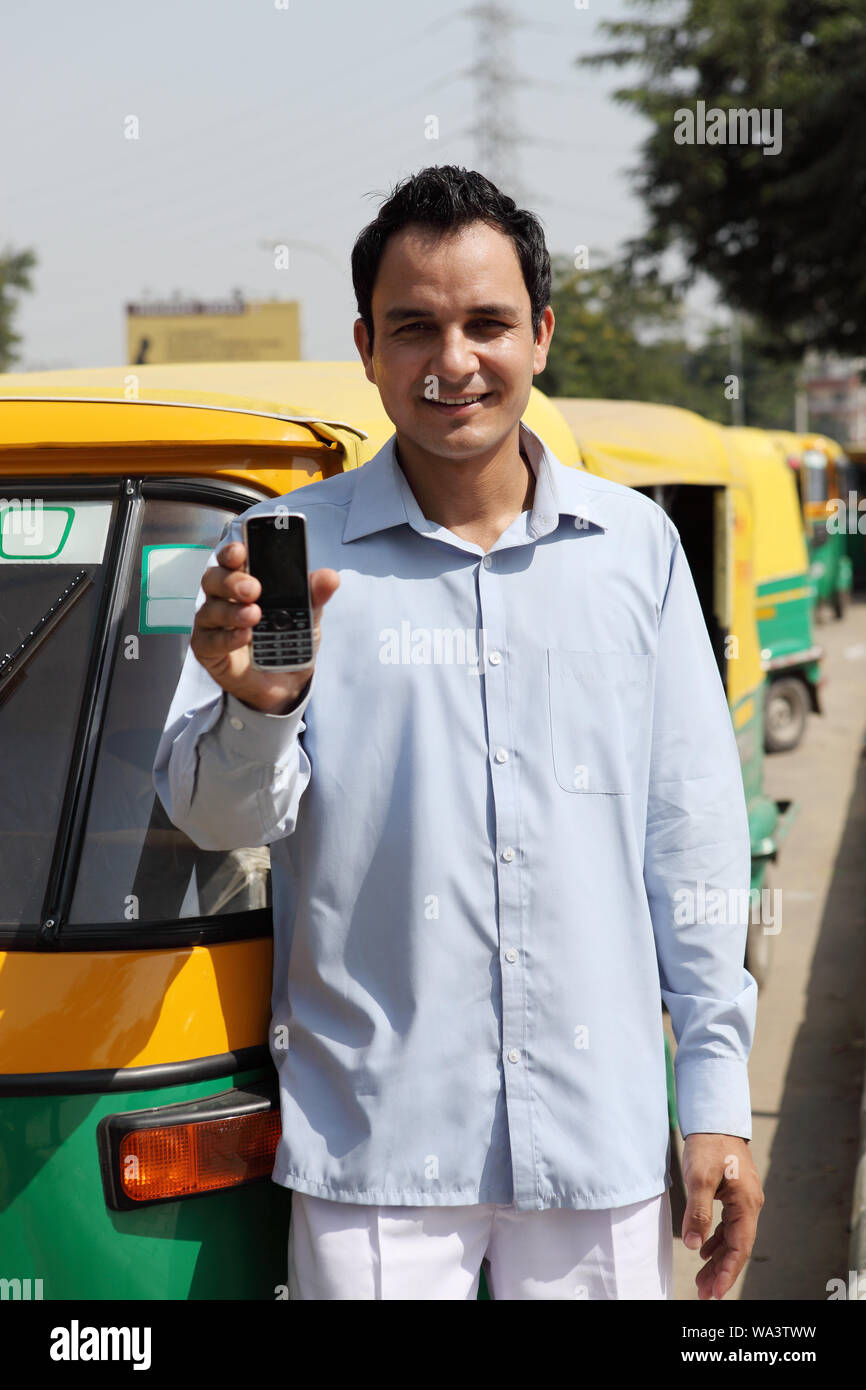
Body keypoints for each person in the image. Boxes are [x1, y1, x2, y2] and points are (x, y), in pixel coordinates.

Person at [153, 164, 764, 1301]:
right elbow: (213, 816)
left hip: (599, 1148)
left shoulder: (632, 553)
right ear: (366, 346)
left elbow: (690, 839)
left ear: (538, 334)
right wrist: (259, 703)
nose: (452, 361)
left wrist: (716, 1102)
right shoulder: (279, 555)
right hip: (376, 1149)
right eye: (413, 327)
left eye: (485, 323)